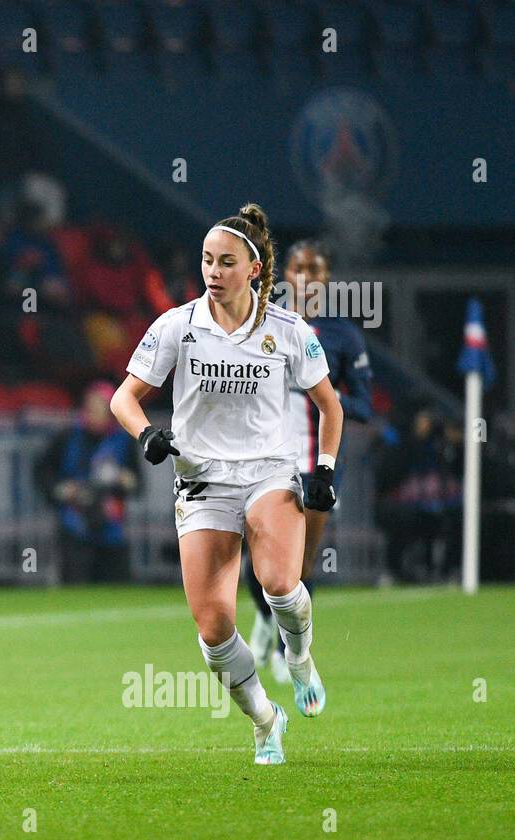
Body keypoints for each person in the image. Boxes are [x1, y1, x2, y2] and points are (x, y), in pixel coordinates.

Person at [109, 203, 344, 765]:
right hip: (202, 479)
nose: (213, 271)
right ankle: (266, 719)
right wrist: (147, 436)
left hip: (268, 471)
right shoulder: (176, 325)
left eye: (226, 262)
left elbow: (329, 408)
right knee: (214, 628)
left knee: (280, 583)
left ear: (256, 269)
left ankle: (300, 656)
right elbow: (123, 398)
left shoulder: (289, 331)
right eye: (207, 261)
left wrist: (325, 471)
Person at [243, 240, 373, 680]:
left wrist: (322, 392)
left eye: (314, 269)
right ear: (285, 275)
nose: (305, 277)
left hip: (316, 460)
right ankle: (265, 620)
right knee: (253, 561)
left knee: (299, 565)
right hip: (262, 457)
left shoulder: (343, 335)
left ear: (327, 277)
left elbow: (365, 405)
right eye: (297, 268)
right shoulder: (263, 324)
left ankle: (287, 652)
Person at [34, 381, 138, 582]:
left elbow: (136, 481)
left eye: (101, 408)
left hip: (111, 526)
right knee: (75, 583)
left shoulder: (122, 440)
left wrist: (123, 481)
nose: (95, 413)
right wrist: (61, 490)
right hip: (75, 523)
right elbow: (43, 471)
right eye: (91, 407)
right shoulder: (67, 437)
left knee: (117, 586)